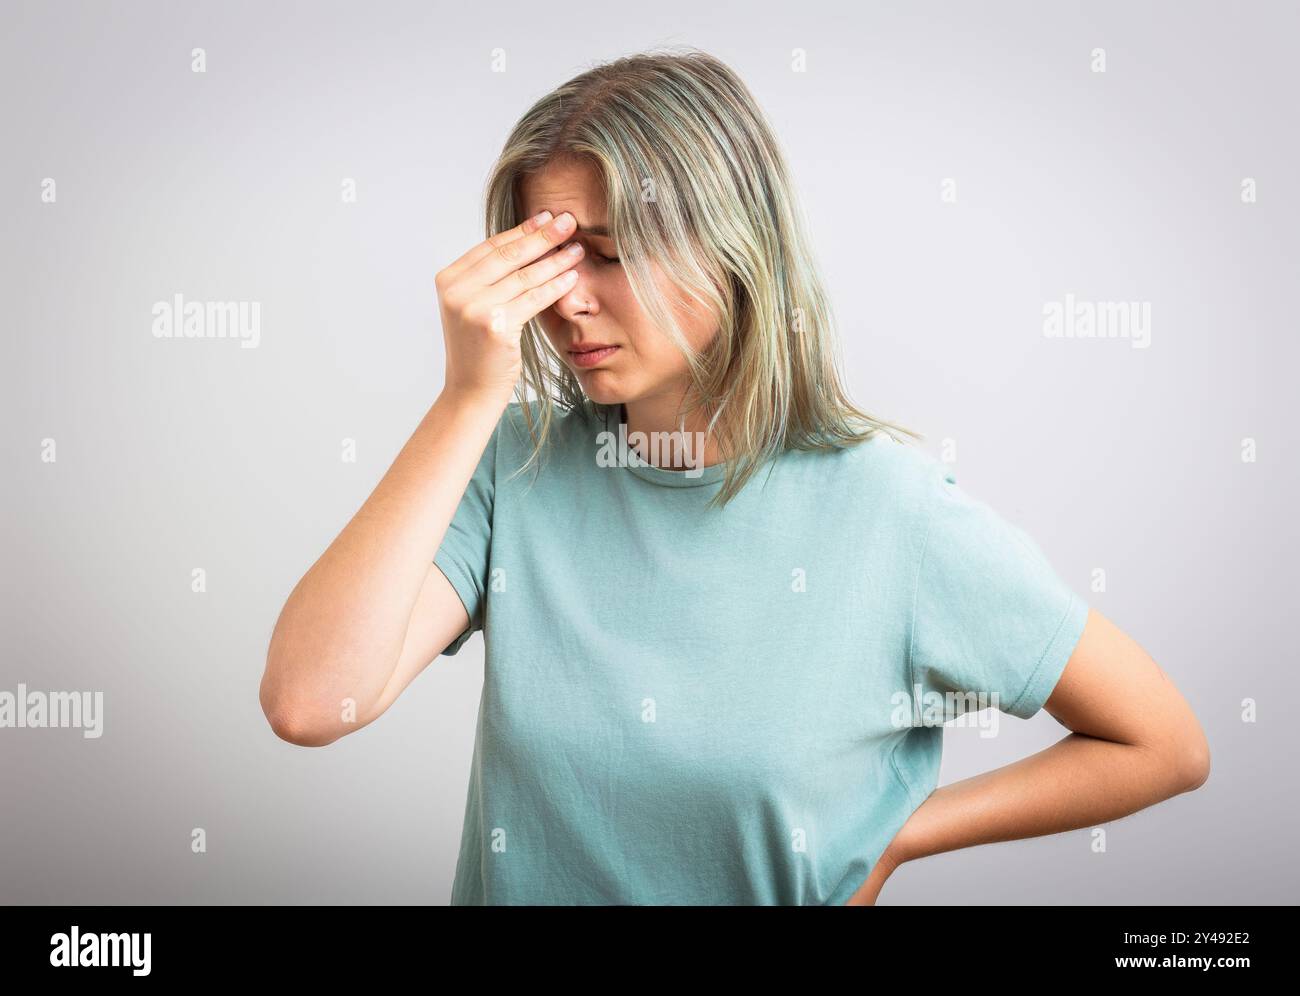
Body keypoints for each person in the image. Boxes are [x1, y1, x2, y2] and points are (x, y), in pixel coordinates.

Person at [259, 47, 1210, 905]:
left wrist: (900, 840)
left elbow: (1162, 744)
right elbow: (310, 703)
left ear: (732, 245)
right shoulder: (518, 462)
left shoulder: (889, 511)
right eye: (546, 262)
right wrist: (466, 399)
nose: (569, 303)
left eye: (609, 253)